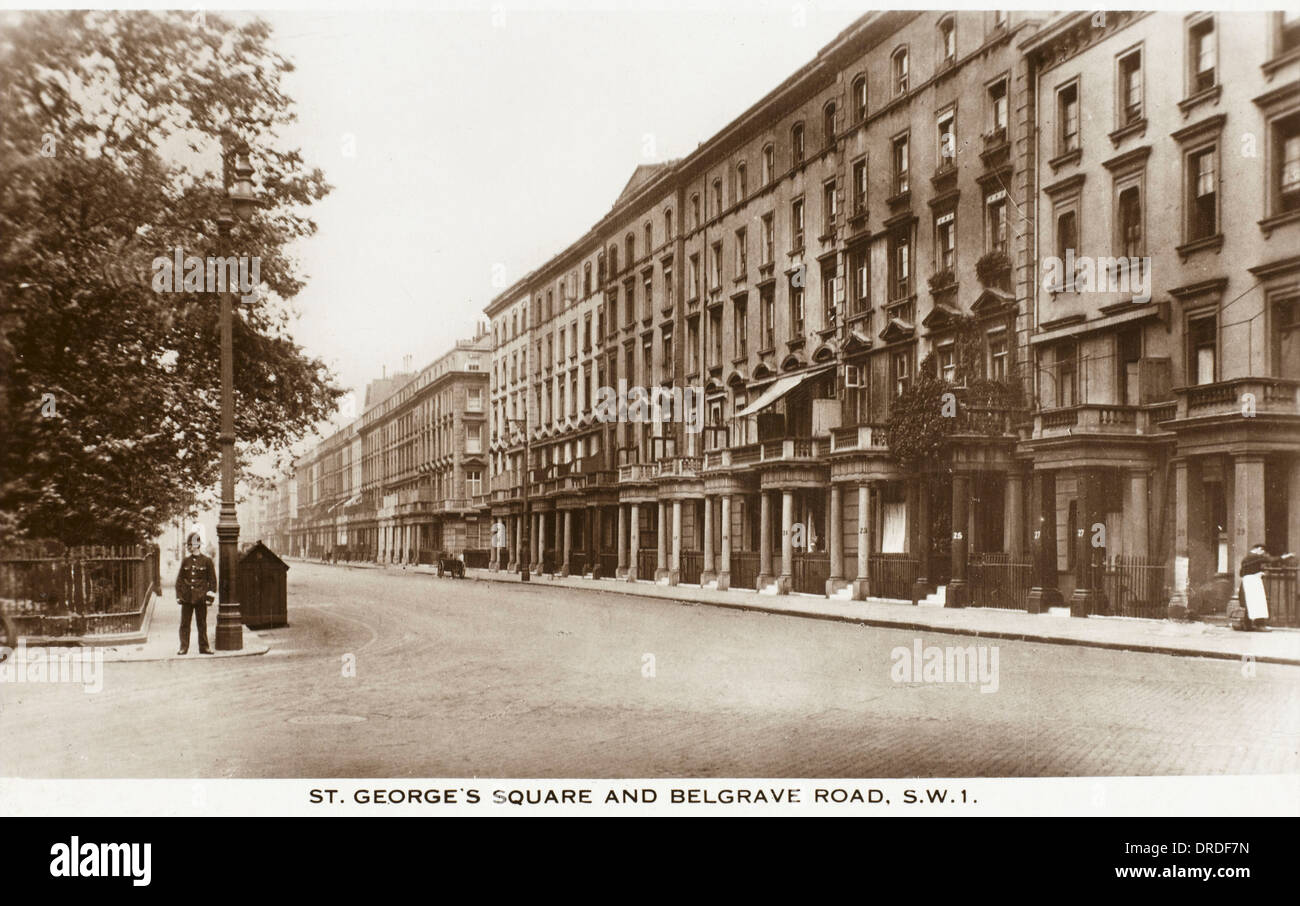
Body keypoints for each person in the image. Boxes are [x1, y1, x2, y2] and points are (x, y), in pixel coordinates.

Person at [1232, 543, 1295, 631]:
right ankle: (1259, 625)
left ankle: (1248, 625)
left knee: (1250, 603)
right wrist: (1285, 556)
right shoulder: (1255, 556)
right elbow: (1270, 560)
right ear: (1259, 549)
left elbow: (1241, 573)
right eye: (1262, 552)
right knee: (1258, 602)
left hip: (1247, 581)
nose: (1262, 554)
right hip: (1254, 581)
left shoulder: (1246, 558)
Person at [175, 532, 216, 654]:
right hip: (187, 598)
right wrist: (179, 596)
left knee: (202, 624)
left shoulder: (207, 561)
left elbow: (212, 581)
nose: (188, 547)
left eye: (190, 544)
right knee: (184, 624)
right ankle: (183, 647)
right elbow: (180, 580)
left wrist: (210, 598)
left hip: (201, 598)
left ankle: (204, 647)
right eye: (187, 544)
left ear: (197, 544)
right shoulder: (185, 561)